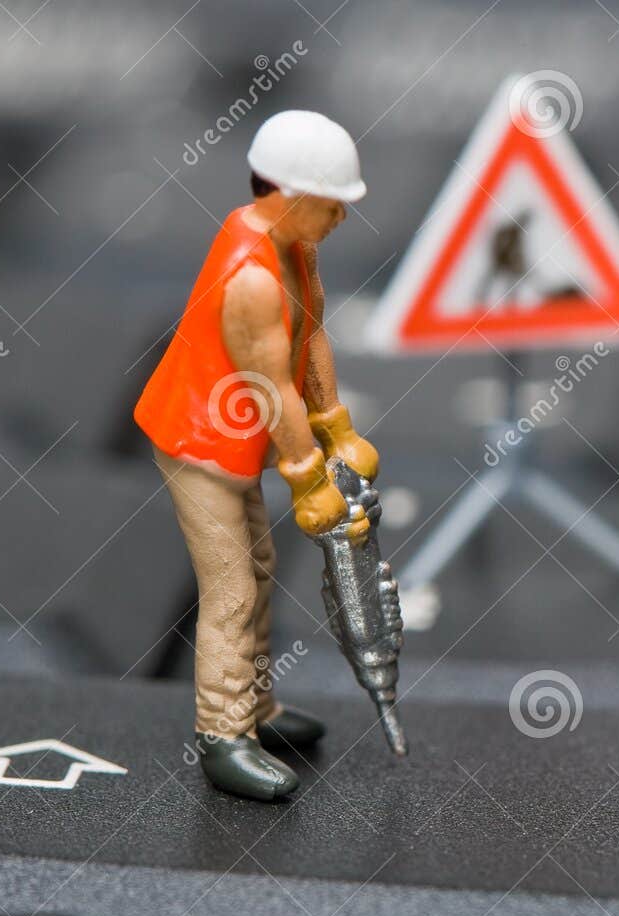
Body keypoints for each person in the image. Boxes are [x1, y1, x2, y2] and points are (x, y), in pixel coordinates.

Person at [134, 110, 377, 801]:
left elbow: (313, 344)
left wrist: (337, 429)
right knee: (232, 590)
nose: (341, 218)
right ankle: (222, 735)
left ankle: (256, 710)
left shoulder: (295, 248)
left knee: (261, 569)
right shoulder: (250, 277)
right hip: (197, 441)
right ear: (290, 195)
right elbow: (270, 390)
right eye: (333, 204)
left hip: (234, 440)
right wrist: (308, 481)